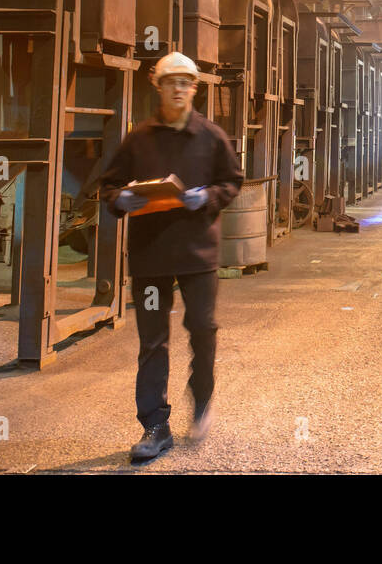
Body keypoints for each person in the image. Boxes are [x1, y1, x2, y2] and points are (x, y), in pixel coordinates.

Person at [100, 52, 242, 462]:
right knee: (153, 342)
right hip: (150, 257)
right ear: (157, 86)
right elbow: (108, 186)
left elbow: (232, 180)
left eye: (186, 82)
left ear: (195, 88)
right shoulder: (138, 138)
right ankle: (155, 427)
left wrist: (209, 197)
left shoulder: (212, 137)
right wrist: (120, 199)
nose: (178, 89)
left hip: (198, 255)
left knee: (202, 329)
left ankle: (201, 398)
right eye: (170, 82)